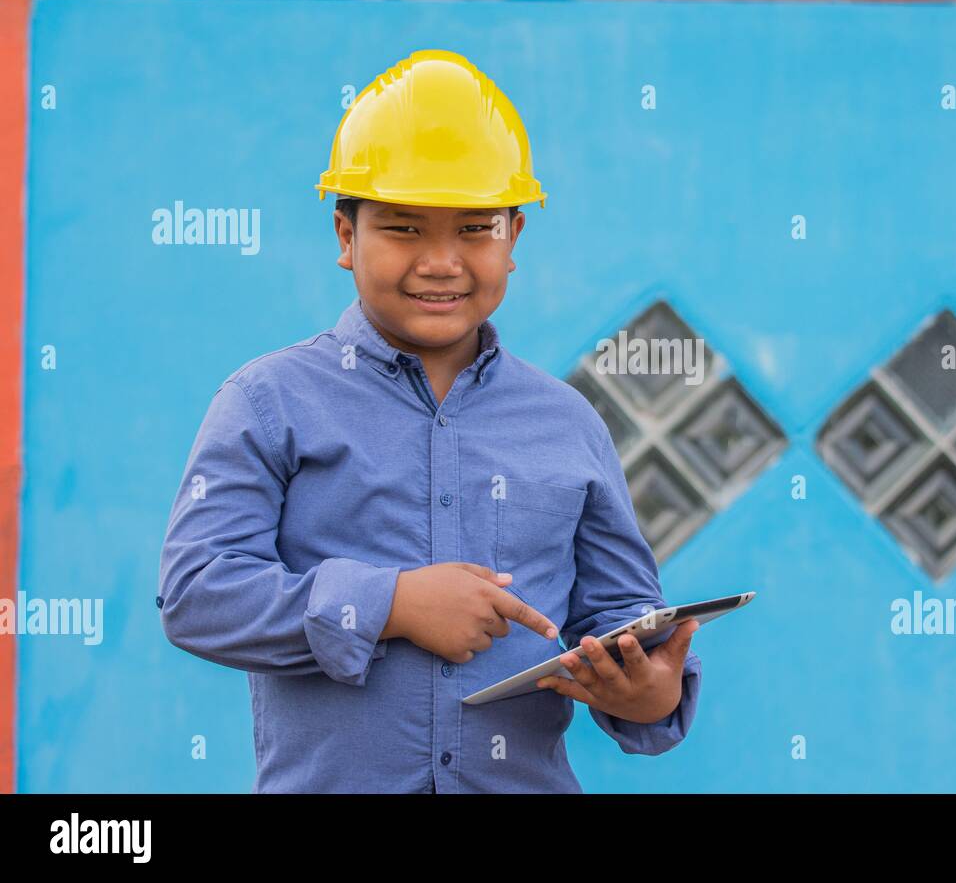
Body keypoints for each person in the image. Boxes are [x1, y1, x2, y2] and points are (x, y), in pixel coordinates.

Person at [157, 50, 702, 793]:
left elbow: (620, 612)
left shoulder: (568, 424)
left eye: (475, 229)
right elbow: (197, 594)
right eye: (405, 229)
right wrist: (391, 605)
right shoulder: (269, 403)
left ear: (515, 239)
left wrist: (651, 690)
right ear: (346, 237)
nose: (442, 262)